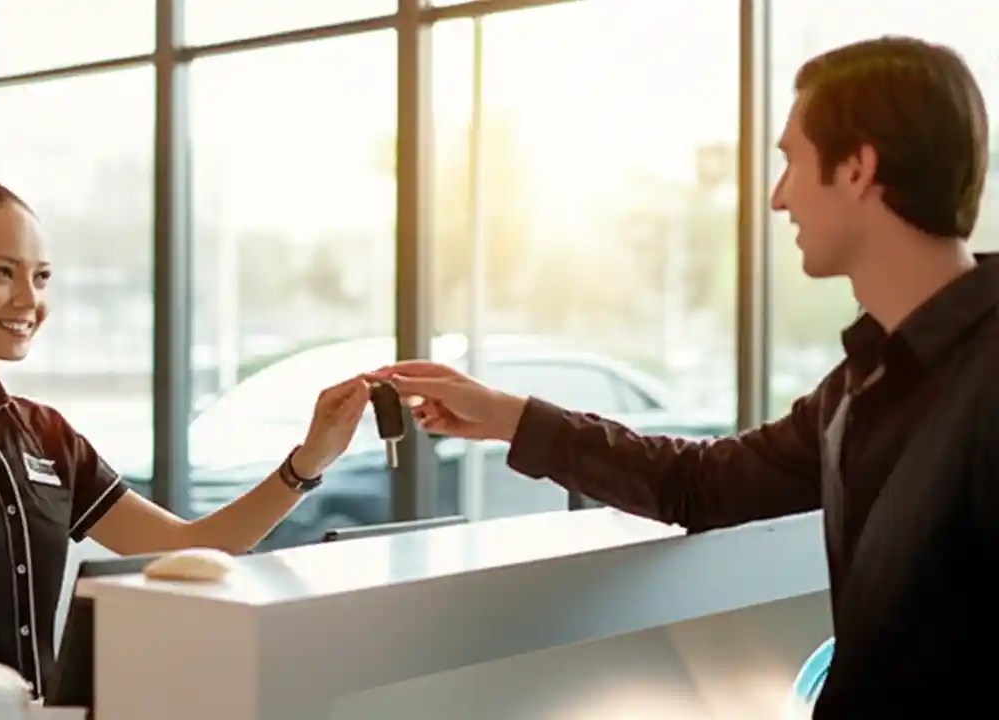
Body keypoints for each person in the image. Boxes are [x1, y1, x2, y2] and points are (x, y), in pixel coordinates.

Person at [370, 36, 999, 718]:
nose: (779, 198)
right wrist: (508, 417)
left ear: (857, 169)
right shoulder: (862, 381)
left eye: (791, 161)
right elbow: (702, 484)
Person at [0, 160, 370, 718]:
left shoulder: (47, 436)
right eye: (2, 273)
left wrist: (306, 462)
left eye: (41, 276)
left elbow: (192, 545)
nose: (30, 299)